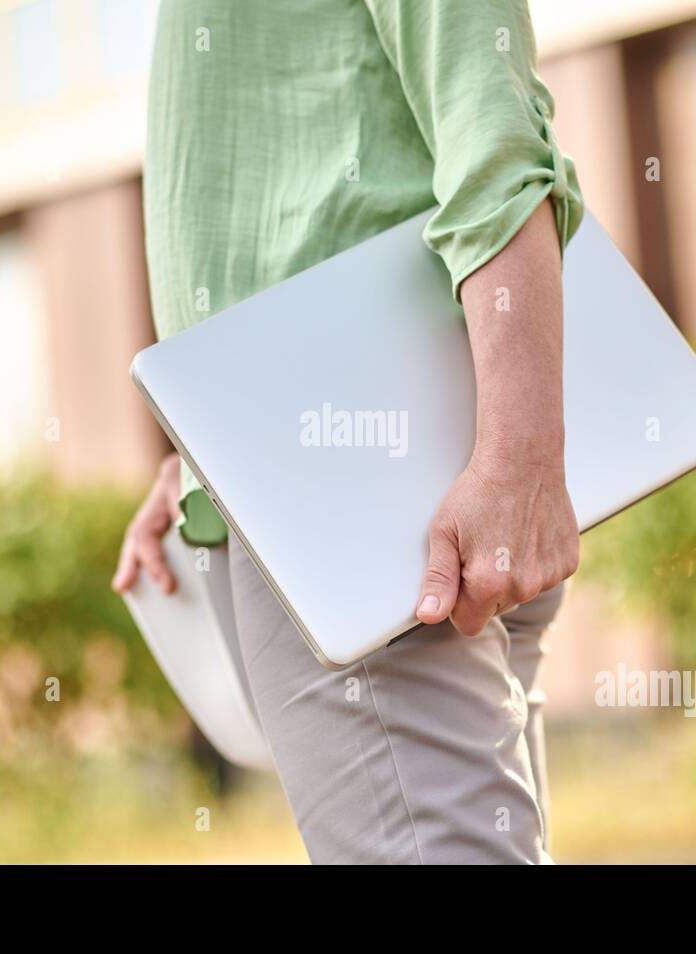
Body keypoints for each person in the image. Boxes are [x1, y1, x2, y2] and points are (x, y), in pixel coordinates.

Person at [113, 0, 583, 864]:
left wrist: (521, 456)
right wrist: (196, 453)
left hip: (366, 491)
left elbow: (494, 136)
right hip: (314, 455)